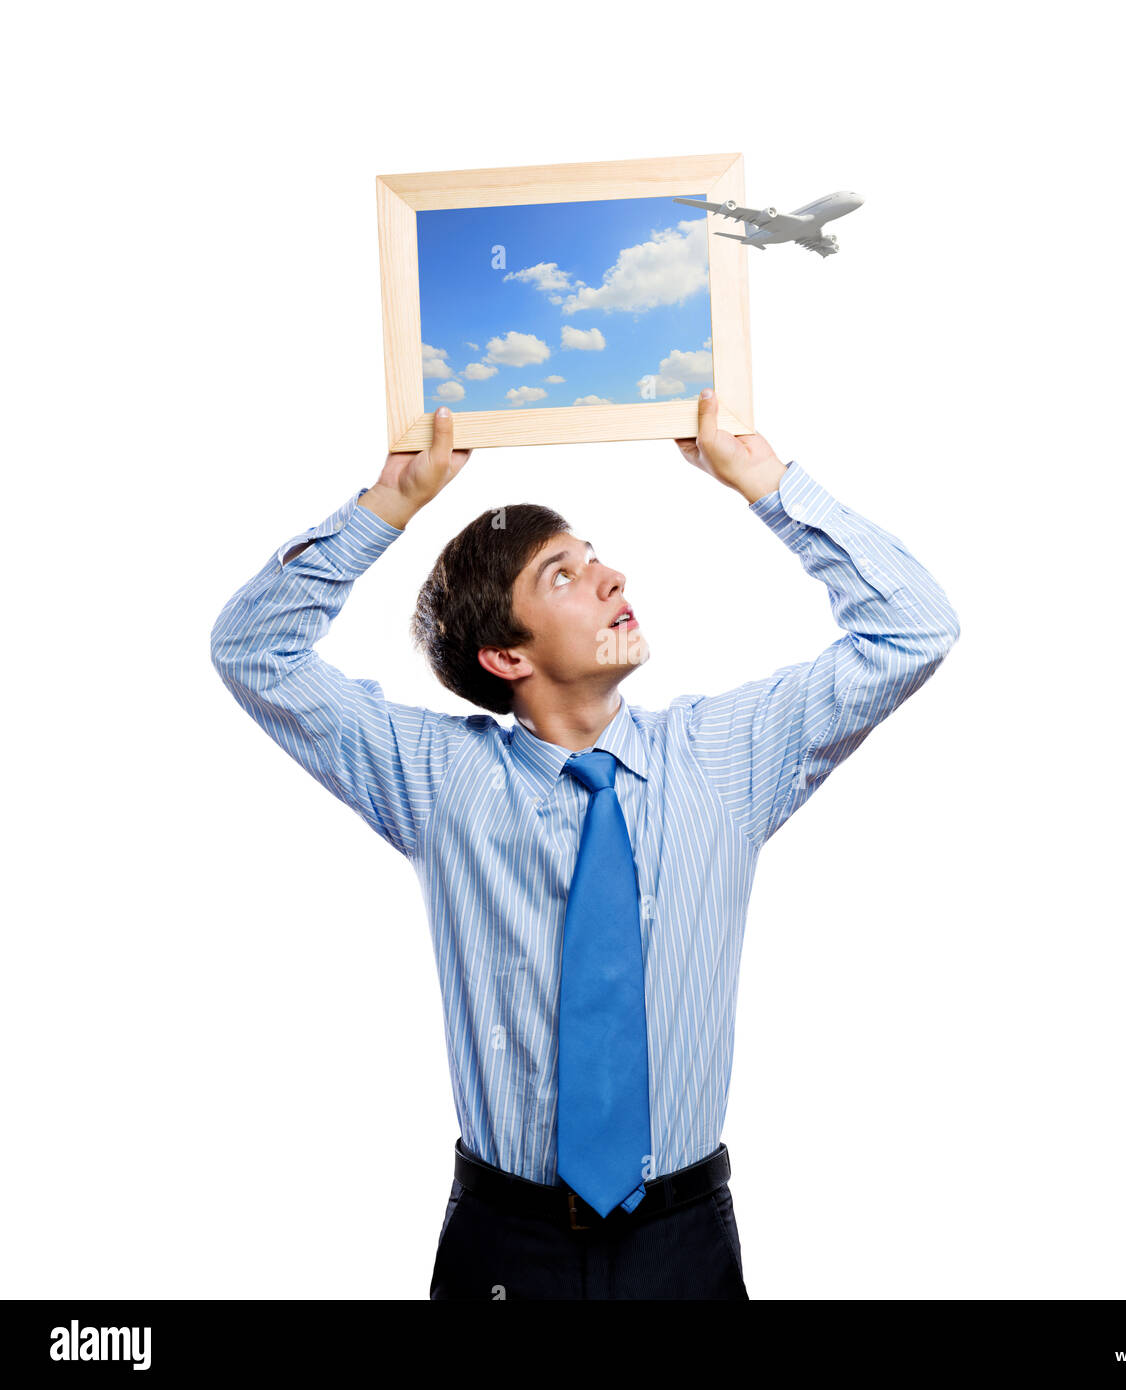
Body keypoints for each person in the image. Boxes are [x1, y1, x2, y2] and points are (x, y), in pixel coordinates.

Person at [209, 389, 961, 1299]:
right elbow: (254, 651)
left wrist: (765, 483)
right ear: (506, 657)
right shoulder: (438, 780)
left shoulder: (723, 759)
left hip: (684, 1242)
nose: (614, 581)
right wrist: (388, 508)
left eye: (598, 561)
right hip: (504, 1242)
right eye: (563, 576)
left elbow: (915, 628)